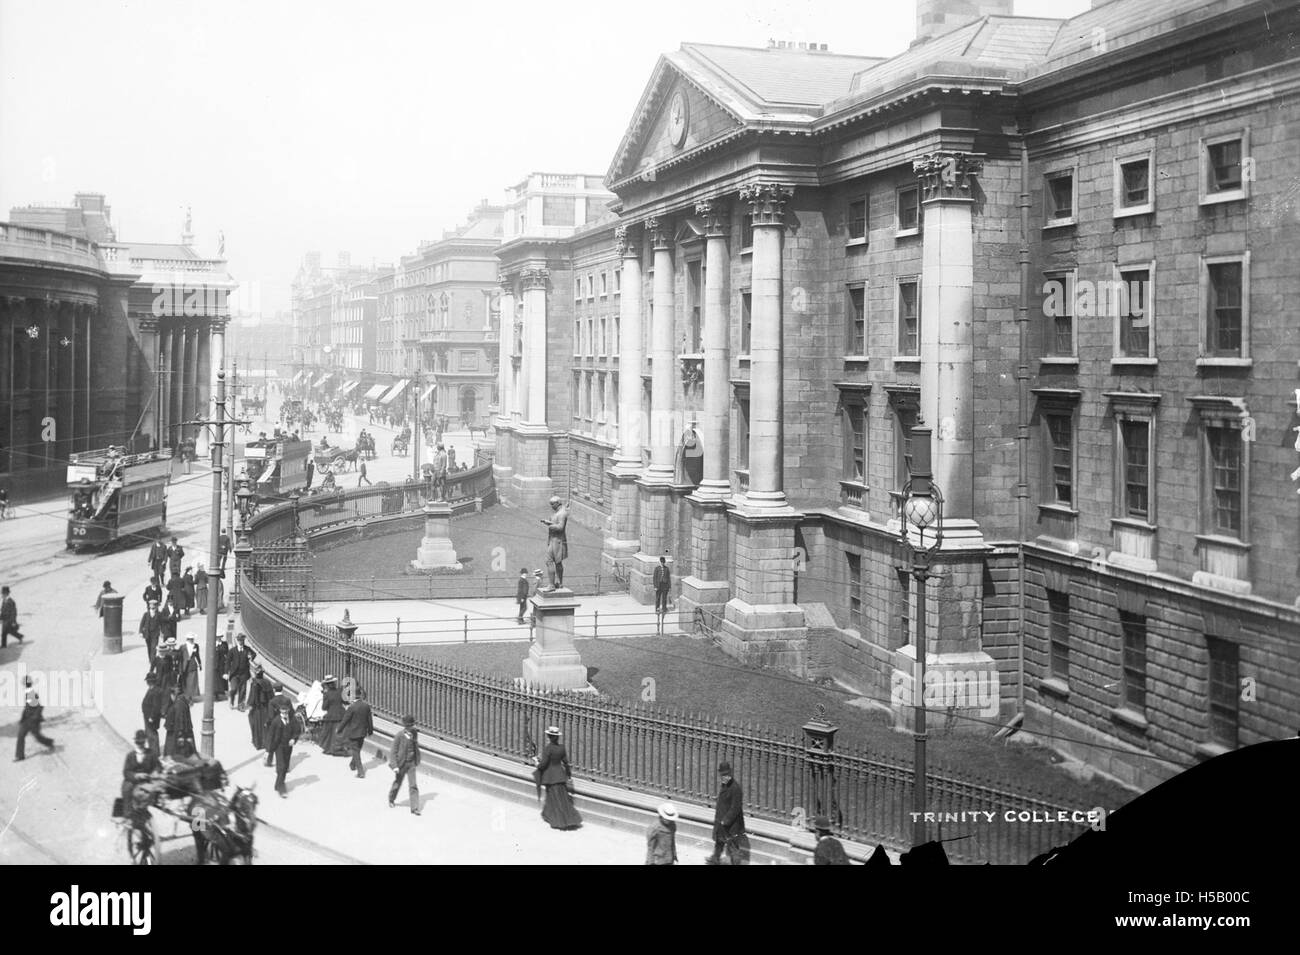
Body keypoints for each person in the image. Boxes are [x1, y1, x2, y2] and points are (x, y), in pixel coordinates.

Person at [535, 726, 582, 830]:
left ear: (549, 736)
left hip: (550, 776)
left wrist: (537, 763)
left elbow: (543, 764)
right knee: (562, 799)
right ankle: (565, 818)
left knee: (553, 799)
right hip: (560, 775)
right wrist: (568, 774)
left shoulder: (548, 749)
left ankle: (557, 820)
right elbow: (565, 762)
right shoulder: (562, 748)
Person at [706, 761, 746, 865]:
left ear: (731, 774)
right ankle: (715, 859)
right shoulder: (725, 785)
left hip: (731, 825)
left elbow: (735, 808)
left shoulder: (735, 788)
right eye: (723, 775)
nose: (725, 777)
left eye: (727, 775)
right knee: (719, 842)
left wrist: (725, 821)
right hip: (722, 822)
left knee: (733, 848)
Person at [336, 687, 375, 778]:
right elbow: (369, 720)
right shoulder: (366, 706)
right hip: (362, 732)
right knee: (357, 749)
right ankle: (353, 764)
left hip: (353, 733)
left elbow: (345, 720)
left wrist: (339, 729)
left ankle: (360, 771)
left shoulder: (352, 707)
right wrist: (370, 731)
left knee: (356, 751)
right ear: (360, 695)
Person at [388, 714, 421, 814]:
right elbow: (393, 751)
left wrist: (416, 759)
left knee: (413, 785)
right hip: (401, 763)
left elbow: (415, 746)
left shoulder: (414, 733)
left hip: (411, 763)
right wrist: (394, 766)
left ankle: (414, 808)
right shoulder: (399, 736)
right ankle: (391, 799)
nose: (411, 727)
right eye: (409, 726)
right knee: (398, 783)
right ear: (405, 726)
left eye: (412, 725)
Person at [265, 702, 300, 798]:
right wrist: (268, 750)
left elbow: (297, 730)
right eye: (283, 713)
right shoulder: (276, 721)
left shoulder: (292, 720)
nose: (285, 714)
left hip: (288, 746)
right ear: (280, 712)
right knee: (282, 766)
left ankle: (278, 784)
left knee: (285, 767)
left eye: (286, 712)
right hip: (279, 746)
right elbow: (271, 735)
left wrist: (294, 738)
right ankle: (281, 788)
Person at [14, 677, 54, 760]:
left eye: (25, 684)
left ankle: (49, 742)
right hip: (26, 720)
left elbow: (39, 707)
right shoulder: (28, 693)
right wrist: (23, 717)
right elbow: (28, 708)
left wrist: (35, 717)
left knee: (37, 737)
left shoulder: (31, 694)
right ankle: (20, 756)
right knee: (21, 736)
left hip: (32, 721)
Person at [121, 730, 160, 802]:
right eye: (139, 742)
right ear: (136, 742)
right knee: (126, 790)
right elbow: (126, 772)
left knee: (155, 792)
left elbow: (157, 766)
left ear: (145, 742)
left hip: (147, 779)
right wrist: (136, 775)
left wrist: (155, 772)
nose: (141, 744)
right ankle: (127, 810)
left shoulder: (151, 753)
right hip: (133, 781)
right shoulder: (130, 755)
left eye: (142, 742)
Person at [540, 497, 569, 591]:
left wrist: (550, 526)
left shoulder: (562, 513)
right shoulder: (559, 513)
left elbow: (560, 527)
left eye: (552, 504)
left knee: (549, 561)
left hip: (557, 541)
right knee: (558, 563)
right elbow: (557, 524)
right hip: (555, 540)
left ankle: (551, 585)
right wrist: (549, 522)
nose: (551, 506)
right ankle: (560, 583)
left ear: (558, 503)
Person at [162, 685, 193, 758]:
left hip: (175, 732)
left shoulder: (178, 704)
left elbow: (180, 719)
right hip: (177, 730)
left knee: (174, 752)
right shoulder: (181, 701)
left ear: (173, 695)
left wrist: (180, 733)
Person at [246, 665, 273, 749]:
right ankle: (266, 742)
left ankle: (258, 743)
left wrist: (249, 704)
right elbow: (271, 696)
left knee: (256, 724)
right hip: (266, 708)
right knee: (265, 725)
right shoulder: (268, 682)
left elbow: (253, 697)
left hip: (257, 708)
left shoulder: (255, 683)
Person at [319, 675, 344, 755]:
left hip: (330, 715)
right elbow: (344, 701)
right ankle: (336, 748)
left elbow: (324, 707)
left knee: (328, 732)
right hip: (340, 714)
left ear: (327, 685)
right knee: (336, 732)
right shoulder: (339, 691)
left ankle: (328, 749)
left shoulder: (327, 694)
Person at [227, 632, 253, 710]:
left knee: (243, 689)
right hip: (234, 673)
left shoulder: (247, 649)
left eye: (242, 640)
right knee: (233, 689)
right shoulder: (232, 650)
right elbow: (228, 661)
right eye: (239, 640)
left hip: (244, 673)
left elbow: (253, 654)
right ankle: (231, 701)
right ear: (237, 641)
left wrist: (250, 657)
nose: (241, 642)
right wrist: (226, 672)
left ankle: (240, 705)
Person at [141, 673, 166, 754]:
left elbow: (156, 706)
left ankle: (155, 754)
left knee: (152, 735)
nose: (147, 682)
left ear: (151, 681)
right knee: (149, 735)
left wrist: (152, 717)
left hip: (151, 718)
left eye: (148, 681)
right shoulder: (152, 689)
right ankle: (153, 752)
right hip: (148, 716)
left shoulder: (156, 691)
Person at [139, 600, 165, 664]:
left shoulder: (159, 614)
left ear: (156, 606)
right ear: (149, 606)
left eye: (154, 606)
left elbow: (162, 624)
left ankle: (152, 661)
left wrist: (162, 632)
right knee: (149, 647)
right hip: (147, 634)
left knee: (154, 647)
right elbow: (142, 623)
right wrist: (140, 632)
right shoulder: (146, 614)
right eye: (151, 606)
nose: (153, 607)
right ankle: (150, 659)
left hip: (155, 634)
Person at [180, 634, 202, 700]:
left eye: (192, 639)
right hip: (185, 665)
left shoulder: (196, 646)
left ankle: (191, 695)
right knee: (185, 680)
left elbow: (197, 655)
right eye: (190, 639)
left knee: (192, 681)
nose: (191, 640)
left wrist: (200, 664)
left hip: (192, 665)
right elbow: (180, 657)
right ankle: (186, 694)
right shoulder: (183, 647)